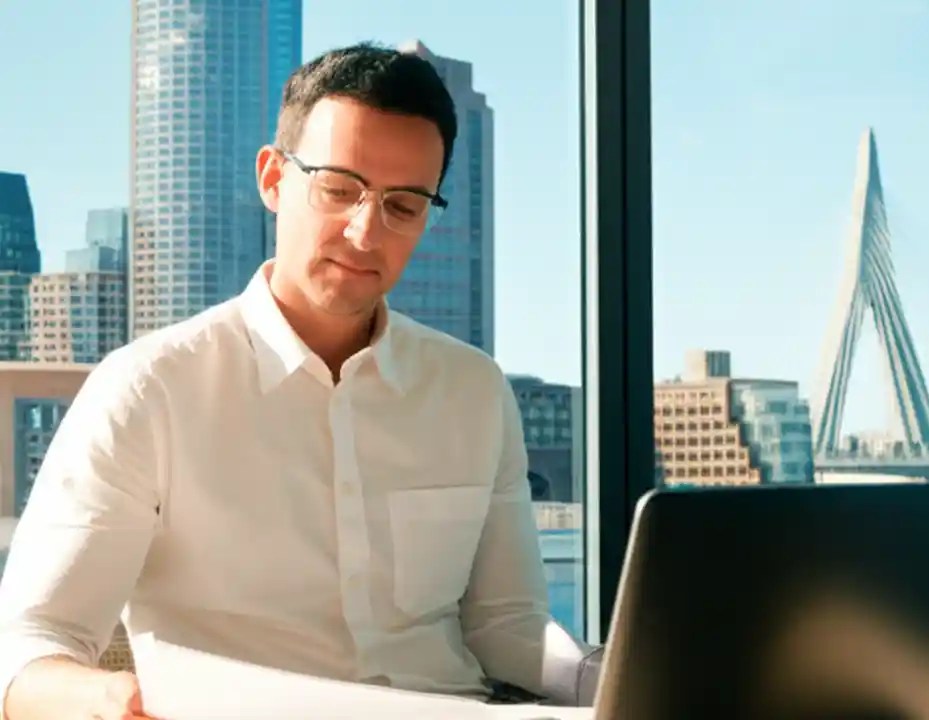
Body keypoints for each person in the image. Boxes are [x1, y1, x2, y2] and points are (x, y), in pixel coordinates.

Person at [0, 42, 591, 720]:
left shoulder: (474, 393)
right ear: (274, 179)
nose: (366, 231)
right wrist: (111, 699)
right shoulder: (148, 391)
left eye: (403, 206)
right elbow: (26, 646)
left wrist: (605, 677)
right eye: (339, 189)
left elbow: (505, 627)